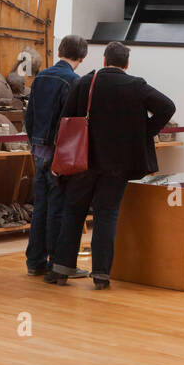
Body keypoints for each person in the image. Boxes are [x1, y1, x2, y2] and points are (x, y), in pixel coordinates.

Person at [47, 41, 176, 289]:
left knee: (73, 213)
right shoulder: (135, 85)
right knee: (106, 216)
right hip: (118, 164)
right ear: (126, 64)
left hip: (83, 161)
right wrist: (144, 132)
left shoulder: (85, 82)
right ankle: (101, 275)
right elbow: (167, 106)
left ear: (104, 60)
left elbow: (66, 119)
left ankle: (61, 269)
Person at [22, 34, 87, 278]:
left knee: (41, 207)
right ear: (82, 57)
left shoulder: (41, 77)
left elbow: (29, 116)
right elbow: (73, 124)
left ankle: (34, 262)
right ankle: (55, 264)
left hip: (39, 151)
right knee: (58, 208)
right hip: (59, 154)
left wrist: (34, 144)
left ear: (59, 51)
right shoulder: (74, 81)